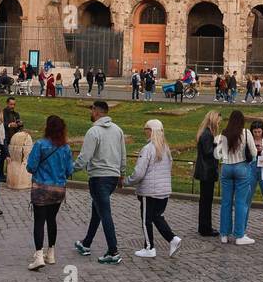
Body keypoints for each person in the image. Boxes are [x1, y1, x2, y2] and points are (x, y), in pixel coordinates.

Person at [73, 101, 126, 264]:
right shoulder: (118, 130)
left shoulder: (93, 131)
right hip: (112, 177)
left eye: (92, 110)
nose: (91, 112)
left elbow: (84, 157)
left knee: (104, 213)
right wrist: (121, 174)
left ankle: (113, 250)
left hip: (99, 177)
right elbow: (123, 154)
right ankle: (86, 243)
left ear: (96, 111)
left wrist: (70, 169)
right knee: (97, 210)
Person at [25, 115, 75, 270]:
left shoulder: (40, 144)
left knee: (39, 221)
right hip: (58, 189)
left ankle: (39, 255)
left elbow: (31, 167)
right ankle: (51, 253)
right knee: (52, 220)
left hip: (41, 187)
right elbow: (69, 170)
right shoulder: (65, 147)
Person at [126, 119, 181, 258]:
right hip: (164, 190)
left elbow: (139, 172)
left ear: (151, 131)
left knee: (146, 219)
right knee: (158, 217)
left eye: (146, 129)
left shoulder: (148, 149)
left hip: (149, 191)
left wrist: (127, 181)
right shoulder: (166, 148)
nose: (145, 132)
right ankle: (172, 239)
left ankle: (149, 247)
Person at [214, 110, 257, 245]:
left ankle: (224, 234)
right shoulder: (245, 133)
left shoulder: (223, 134)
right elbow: (254, 152)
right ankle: (239, 235)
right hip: (241, 167)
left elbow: (218, 153)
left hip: (226, 167)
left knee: (226, 202)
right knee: (240, 202)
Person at [193, 111, 221, 236]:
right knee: (206, 201)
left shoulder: (206, 134)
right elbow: (209, 152)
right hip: (207, 171)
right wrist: (218, 145)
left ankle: (205, 226)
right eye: (219, 120)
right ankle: (205, 227)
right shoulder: (207, 135)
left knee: (206, 200)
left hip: (206, 170)